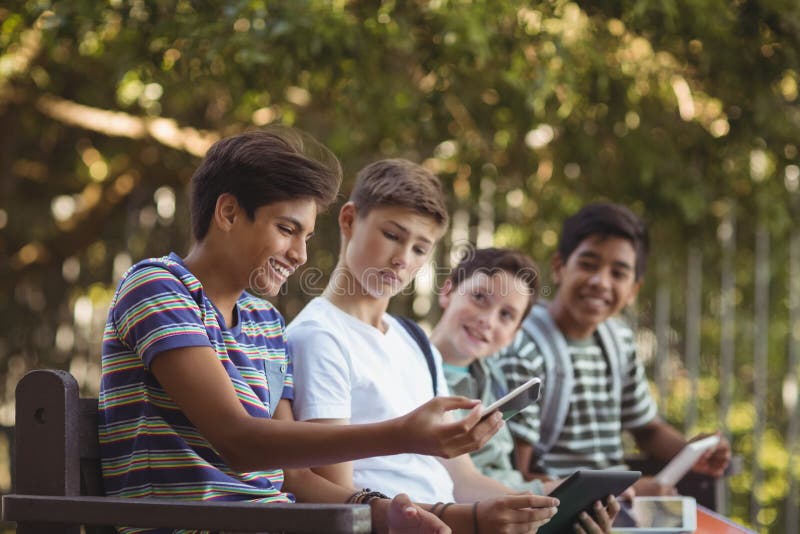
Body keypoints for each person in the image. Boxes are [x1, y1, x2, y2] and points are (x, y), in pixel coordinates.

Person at [98, 128, 504, 534]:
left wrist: (386, 513)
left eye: (306, 236)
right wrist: (403, 435)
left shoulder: (265, 321)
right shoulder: (158, 286)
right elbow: (238, 441)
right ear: (229, 213)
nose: (300, 255)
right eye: (287, 230)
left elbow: (293, 476)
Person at [288, 159, 620, 533]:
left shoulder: (413, 340)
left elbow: (463, 480)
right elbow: (340, 500)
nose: (402, 259)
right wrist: (470, 521)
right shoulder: (320, 336)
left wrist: (550, 513)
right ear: (349, 220)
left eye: (420, 249)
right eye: (392, 235)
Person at [495, 202, 732, 496]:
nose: (600, 282)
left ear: (633, 290)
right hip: (556, 507)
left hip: (616, 503)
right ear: (559, 267)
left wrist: (692, 453)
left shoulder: (618, 339)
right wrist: (636, 490)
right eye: (588, 265)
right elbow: (517, 477)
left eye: (618, 273)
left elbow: (647, 430)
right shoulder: (524, 347)